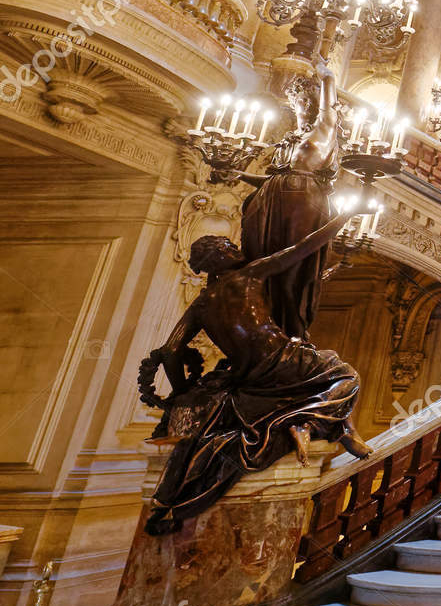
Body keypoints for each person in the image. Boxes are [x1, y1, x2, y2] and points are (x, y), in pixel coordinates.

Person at [139, 216, 369, 535]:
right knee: (347, 375)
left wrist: (179, 391)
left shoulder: (202, 303)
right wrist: (344, 216)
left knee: (324, 371)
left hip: (250, 376)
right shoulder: (248, 276)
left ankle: (321, 422)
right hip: (284, 360)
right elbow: (303, 248)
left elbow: (170, 351)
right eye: (226, 246)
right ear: (215, 259)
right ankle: (305, 421)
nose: (234, 247)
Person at [236, 59, 344, 336]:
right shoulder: (287, 142)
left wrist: (328, 79)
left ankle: (292, 333)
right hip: (272, 201)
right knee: (264, 264)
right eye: (300, 102)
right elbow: (272, 179)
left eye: (310, 102)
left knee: (292, 265)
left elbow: (329, 112)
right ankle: (266, 327)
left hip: (305, 202)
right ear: (293, 105)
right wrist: (236, 174)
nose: (305, 107)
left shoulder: (323, 131)